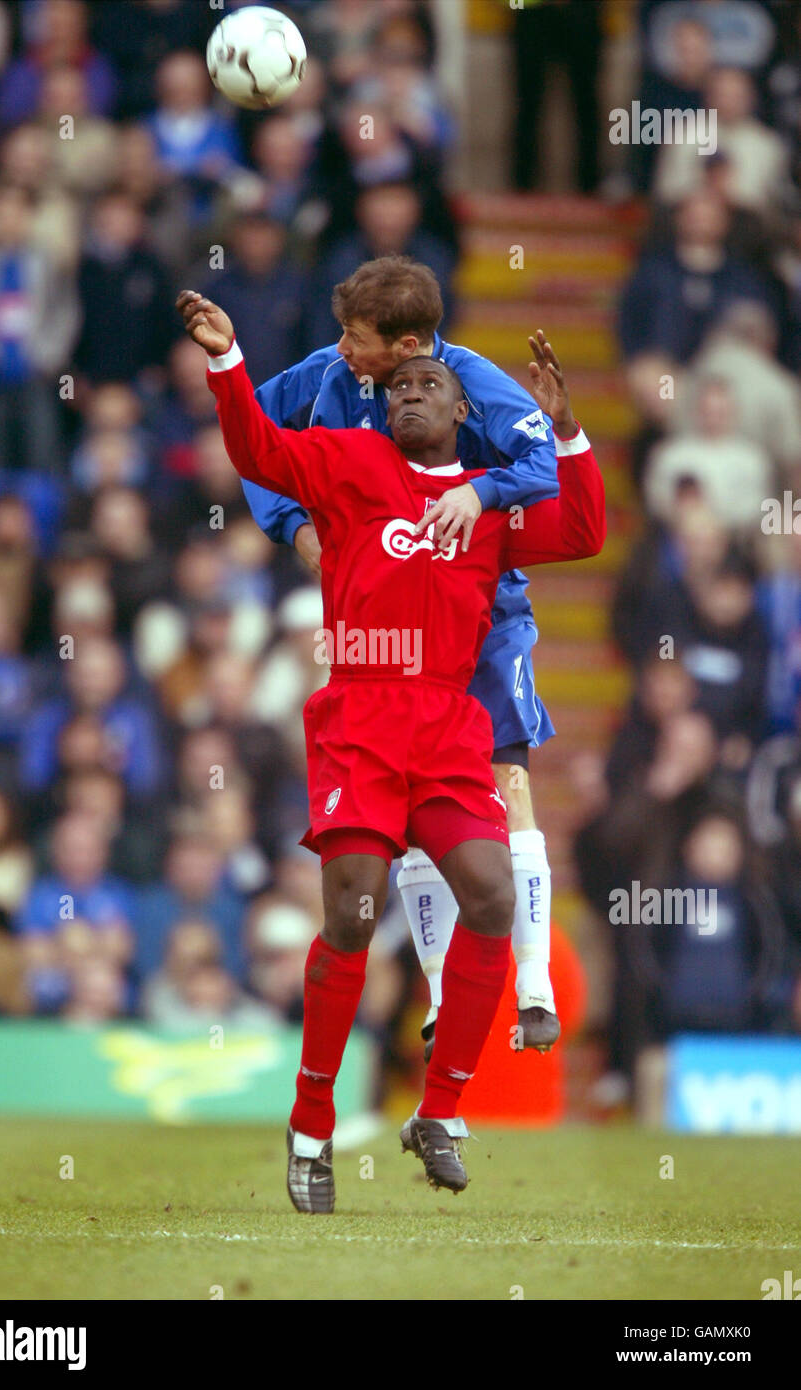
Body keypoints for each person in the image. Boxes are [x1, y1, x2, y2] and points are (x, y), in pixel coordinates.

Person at [177, 289, 605, 1211]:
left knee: (490, 897)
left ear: (462, 413)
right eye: (399, 385)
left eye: (427, 384)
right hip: (363, 720)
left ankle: (440, 1110)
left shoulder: (484, 508)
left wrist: (566, 434)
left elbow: (580, 529)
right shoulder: (347, 460)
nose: (407, 395)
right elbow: (259, 449)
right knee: (354, 914)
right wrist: (227, 362)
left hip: (451, 727)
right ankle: (311, 1124)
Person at [224, 255, 579, 1058]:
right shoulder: (331, 371)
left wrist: (480, 492)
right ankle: (442, 989)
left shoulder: (476, 384)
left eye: (355, 338)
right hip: (380, 627)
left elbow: (547, 471)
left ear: (409, 343)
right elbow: (252, 435)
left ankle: (533, 986)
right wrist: (292, 523)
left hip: (478, 612)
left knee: (508, 782)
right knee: (413, 821)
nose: (343, 350)